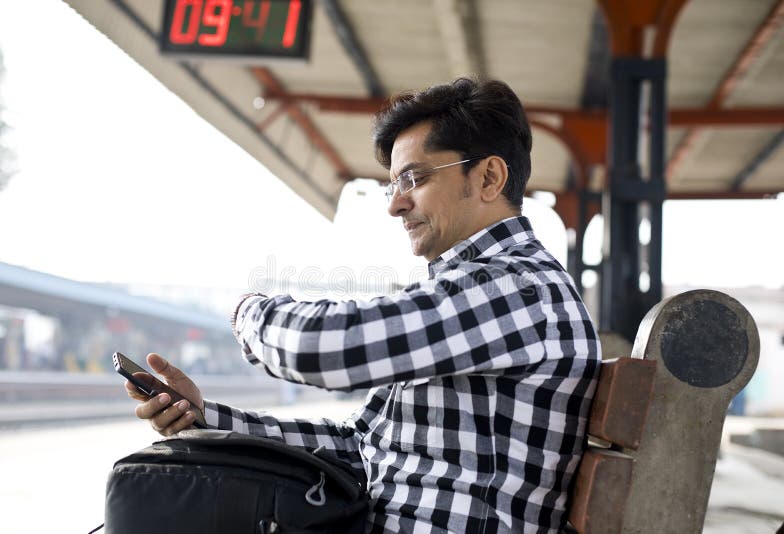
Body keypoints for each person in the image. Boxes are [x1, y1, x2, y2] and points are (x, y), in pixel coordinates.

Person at [127, 78, 601, 533]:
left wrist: (247, 311)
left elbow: (321, 348)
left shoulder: (514, 290)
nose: (396, 205)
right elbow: (361, 444)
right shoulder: (476, 295)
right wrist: (207, 417)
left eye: (413, 179)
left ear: (489, 177)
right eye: (392, 185)